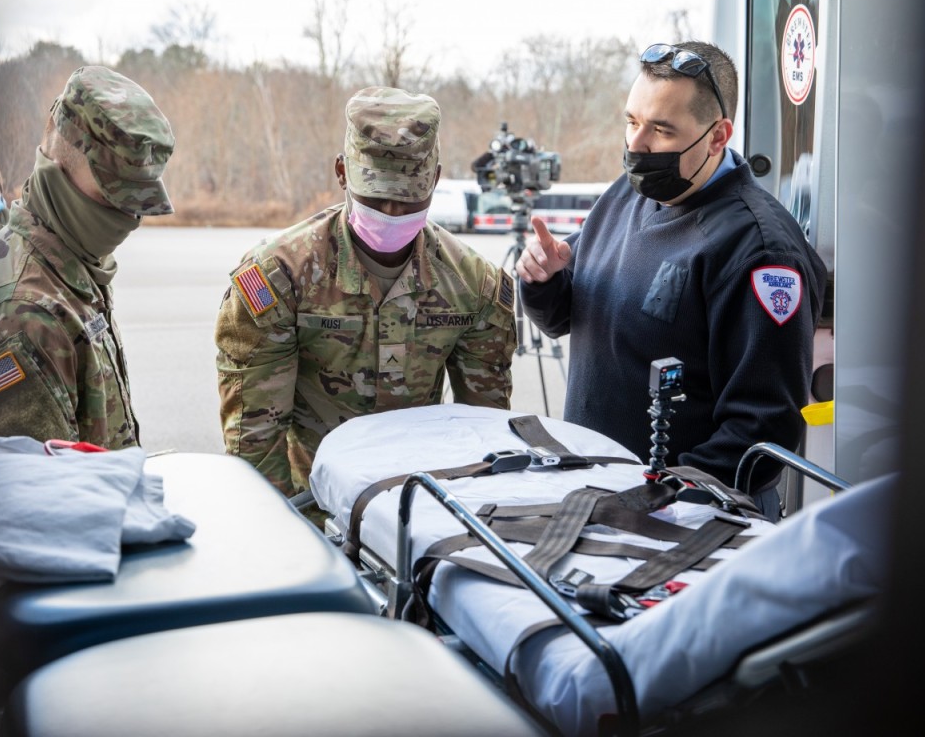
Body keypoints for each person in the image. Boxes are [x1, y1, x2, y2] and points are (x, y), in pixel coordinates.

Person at [515, 41, 827, 521]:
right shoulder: (629, 194)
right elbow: (564, 316)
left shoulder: (760, 250)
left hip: (686, 524)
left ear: (718, 136)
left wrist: (651, 503)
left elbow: (761, 429)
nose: (636, 146)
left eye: (661, 130)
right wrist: (543, 279)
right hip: (597, 499)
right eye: (632, 122)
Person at [215, 85, 517, 498]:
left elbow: (485, 431)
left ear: (436, 180)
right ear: (342, 173)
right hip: (315, 502)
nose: (392, 214)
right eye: (375, 198)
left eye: (410, 201)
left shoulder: (473, 284)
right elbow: (255, 438)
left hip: (423, 505)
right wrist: (284, 529)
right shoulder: (281, 277)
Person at [0, 66, 175, 449]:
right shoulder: (23, 314)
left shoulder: (70, 260)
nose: (130, 218)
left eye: (137, 203)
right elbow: (43, 498)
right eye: (115, 200)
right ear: (61, 172)